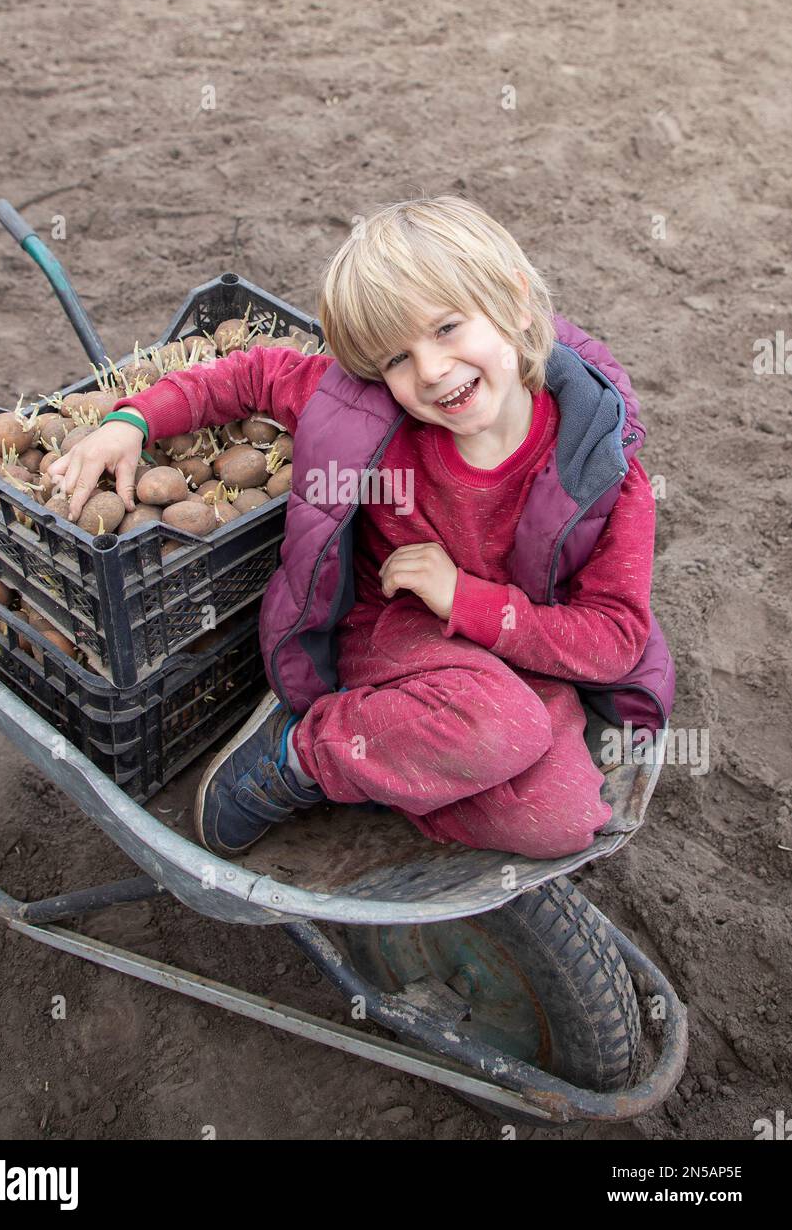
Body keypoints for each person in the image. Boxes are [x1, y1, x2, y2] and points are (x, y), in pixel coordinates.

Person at [48, 195, 674, 861]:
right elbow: (251, 374)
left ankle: (399, 748)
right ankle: (300, 756)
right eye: (396, 359)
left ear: (516, 304)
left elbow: (612, 642)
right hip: (393, 630)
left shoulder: (601, 471)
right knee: (500, 724)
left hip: (516, 644)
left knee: (561, 822)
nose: (430, 371)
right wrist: (130, 420)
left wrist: (467, 600)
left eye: (446, 328)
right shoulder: (367, 410)